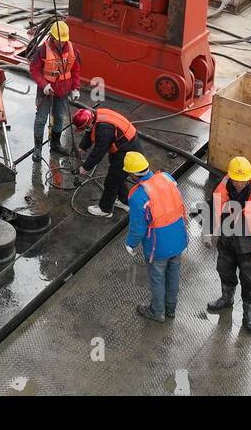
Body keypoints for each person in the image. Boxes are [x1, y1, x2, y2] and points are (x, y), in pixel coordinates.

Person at [205, 156, 251, 336]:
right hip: (227, 242)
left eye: (243, 180)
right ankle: (227, 299)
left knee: (249, 281)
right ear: (230, 176)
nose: (240, 184)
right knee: (224, 270)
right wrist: (208, 230)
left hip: (249, 248)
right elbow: (210, 209)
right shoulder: (220, 187)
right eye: (236, 179)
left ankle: (248, 316)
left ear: (249, 177)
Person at [122, 151, 188, 322]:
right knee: (173, 276)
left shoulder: (138, 195)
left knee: (158, 279)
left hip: (158, 246)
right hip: (178, 238)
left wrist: (131, 243)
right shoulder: (166, 177)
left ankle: (157, 312)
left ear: (131, 174)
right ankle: (170, 309)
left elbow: (138, 226)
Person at [72, 106, 142, 218]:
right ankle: (125, 202)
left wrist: (85, 168)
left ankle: (105, 209)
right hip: (125, 145)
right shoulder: (95, 117)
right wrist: (82, 147)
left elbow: (98, 152)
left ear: (89, 122)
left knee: (111, 181)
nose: (86, 129)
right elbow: (89, 132)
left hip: (128, 152)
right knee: (118, 178)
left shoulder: (104, 129)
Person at [28, 20, 81, 160]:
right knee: (41, 119)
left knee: (59, 118)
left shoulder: (72, 49)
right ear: (52, 37)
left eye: (63, 40)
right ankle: (37, 148)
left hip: (62, 91)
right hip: (46, 91)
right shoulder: (42, 50)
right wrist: (44, 85)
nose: (62, 43)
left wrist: (75, 88)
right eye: (59, 40)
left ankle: (55, 144)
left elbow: (75, 70)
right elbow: (34, 69)